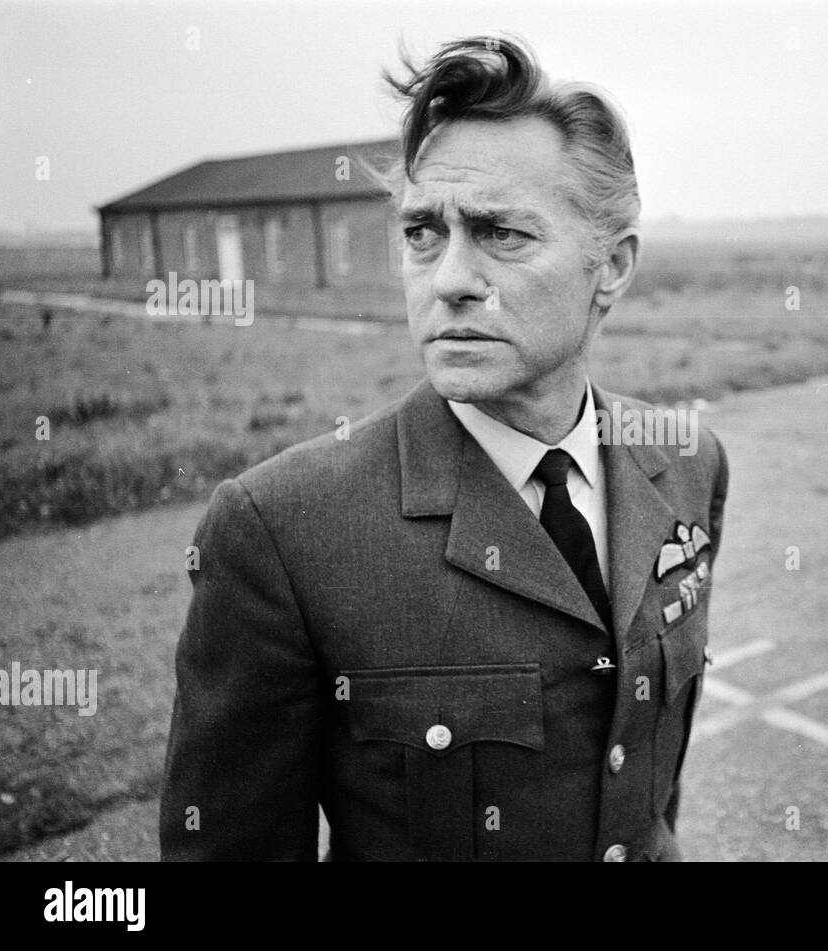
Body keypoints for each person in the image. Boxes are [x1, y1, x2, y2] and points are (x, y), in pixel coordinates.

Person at [159, 34, 729, 861]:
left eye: (501, 233)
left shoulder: (687, 462)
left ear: (612, 267)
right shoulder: (284, 530)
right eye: (423, 232)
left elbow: (646, 772)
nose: (450, 278)